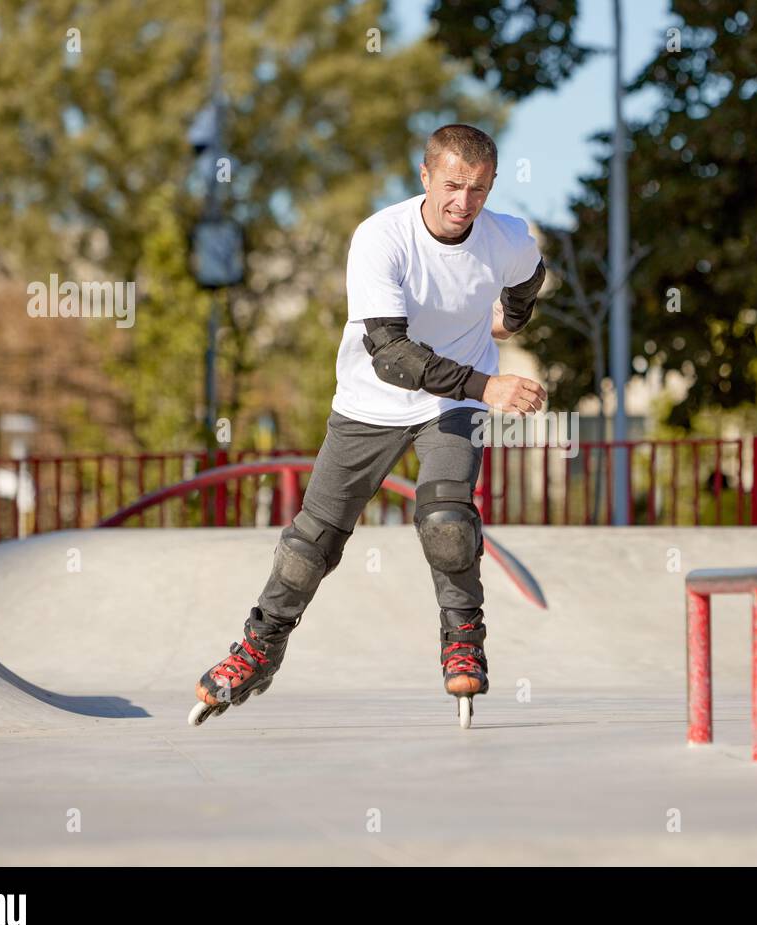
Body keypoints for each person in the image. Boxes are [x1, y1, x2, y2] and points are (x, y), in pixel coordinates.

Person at [191, 124, 548, 726]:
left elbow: (529, 278)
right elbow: (390, 353)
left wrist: (508, 323)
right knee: (311, 542)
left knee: (446, 519)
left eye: (480, 190)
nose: (465, 204)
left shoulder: (506, 237)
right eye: (453, 186)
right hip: (371, 401)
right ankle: (262, 644)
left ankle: (463, 635)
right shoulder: (382, 238)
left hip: (451, 407)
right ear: (426, 177)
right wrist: (489, 384)